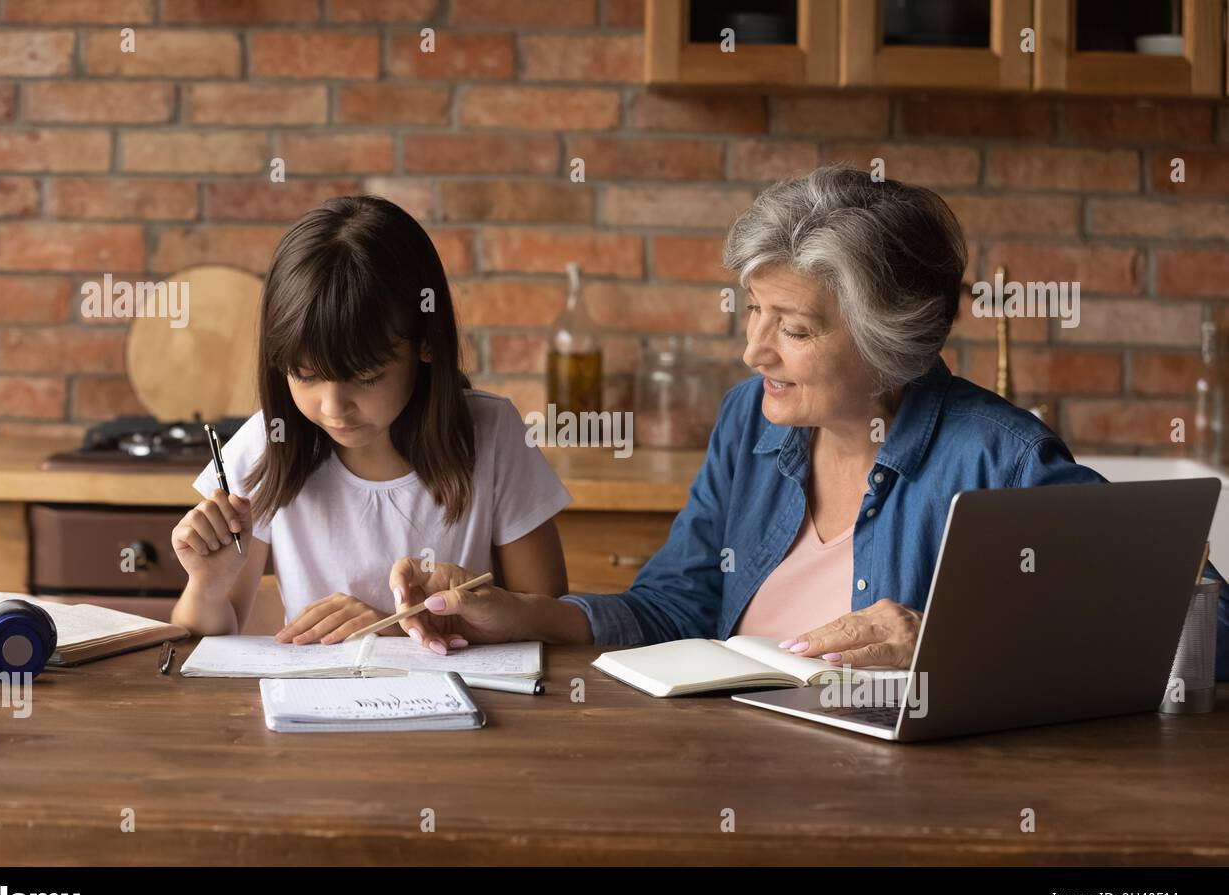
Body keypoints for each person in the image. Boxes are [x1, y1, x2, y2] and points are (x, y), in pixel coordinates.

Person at [387, 166, 1229, 680]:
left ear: (885, 341)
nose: (755, 350)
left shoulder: (997, 455)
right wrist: (525, 615)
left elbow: (1207, 625)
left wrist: (944, 644)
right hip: (733, 769)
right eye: (751, 311)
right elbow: (679, 604)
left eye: (793, 328)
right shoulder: (749, 423)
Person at [170, 196, 571, 650]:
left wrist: (391, 630)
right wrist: (207, 584)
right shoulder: (266, 446)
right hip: (311, 710)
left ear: (425, 344)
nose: (334, 407)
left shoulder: (492, 435)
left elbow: (550, 621)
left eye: (365, 378)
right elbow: (200, 646)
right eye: (305, 375)